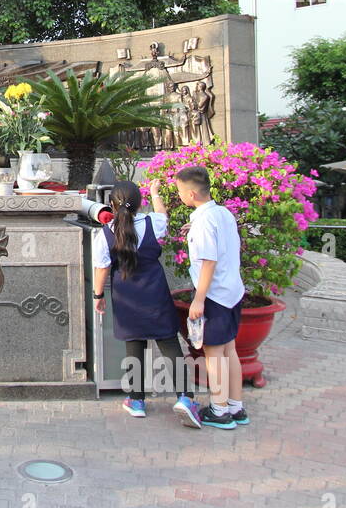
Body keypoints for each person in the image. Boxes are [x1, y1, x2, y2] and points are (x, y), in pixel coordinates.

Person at [84, 179, 201, 428]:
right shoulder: (152, 223)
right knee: (168, 342)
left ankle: (136, 401)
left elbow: (102, 268)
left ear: (111, 206)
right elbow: (162, 214)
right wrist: (155, 193)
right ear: (139, 204)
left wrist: (98, 297)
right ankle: (185, 398)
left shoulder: (105, 233)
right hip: (155, 292)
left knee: (134, 343)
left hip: (126, 296)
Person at [174, 165, 246, 430]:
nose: (179, 195)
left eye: (181, 191)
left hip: (214, 295)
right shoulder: (221, 213)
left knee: (213, 353)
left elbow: (208, 262)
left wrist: (198, 300)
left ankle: (219, 410)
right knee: (230, 350)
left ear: (191, 193)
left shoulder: (203, 221)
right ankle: (236, 407)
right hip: (233, 291)